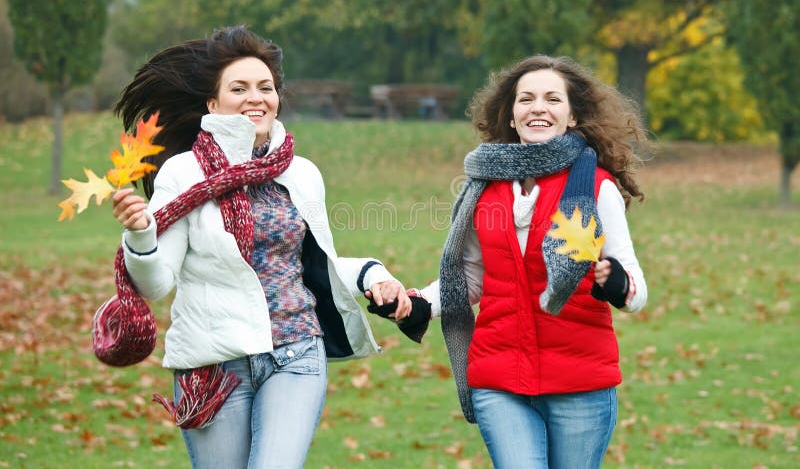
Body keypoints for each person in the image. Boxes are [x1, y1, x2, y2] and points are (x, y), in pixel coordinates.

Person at [110, 25, 411, 468]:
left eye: (265, 87)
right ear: (212, 104)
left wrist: (373, 273)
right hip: (214, 366)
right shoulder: (183, 174)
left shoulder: (301, 172)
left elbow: (311, 265)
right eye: (240, 87)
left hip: (296, 353)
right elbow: (156, 285)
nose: (257, 97)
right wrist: (140, 235)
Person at [403, 55, 649, 468]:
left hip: (580, 385)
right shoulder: (485, 189)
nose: (538, 107)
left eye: (553, 99)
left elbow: (637, 290)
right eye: (526, 99)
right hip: (500, 380)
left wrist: (618, 284)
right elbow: (470, 276)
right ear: (512, 117)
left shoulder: (594, 188)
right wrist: (422, 303)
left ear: (571, 117)